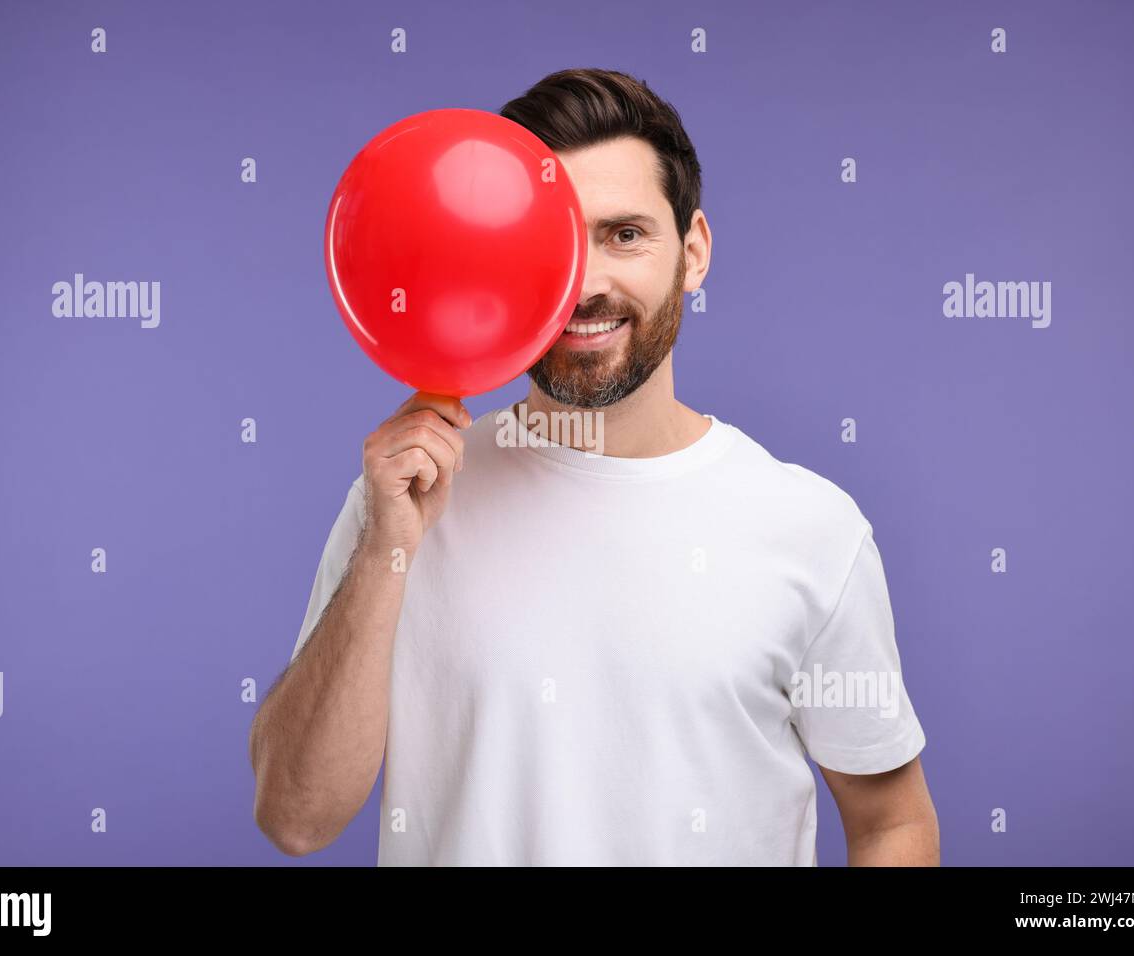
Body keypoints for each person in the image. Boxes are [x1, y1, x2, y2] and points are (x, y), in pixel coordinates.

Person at [250, 68, 939, 866]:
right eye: (551, 243)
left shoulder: (813, 531)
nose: (584, 285)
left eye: (624, 235)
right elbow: (294, 818)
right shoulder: (403, 504)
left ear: (694, 251)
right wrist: (384, 549)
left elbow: (893, 822)